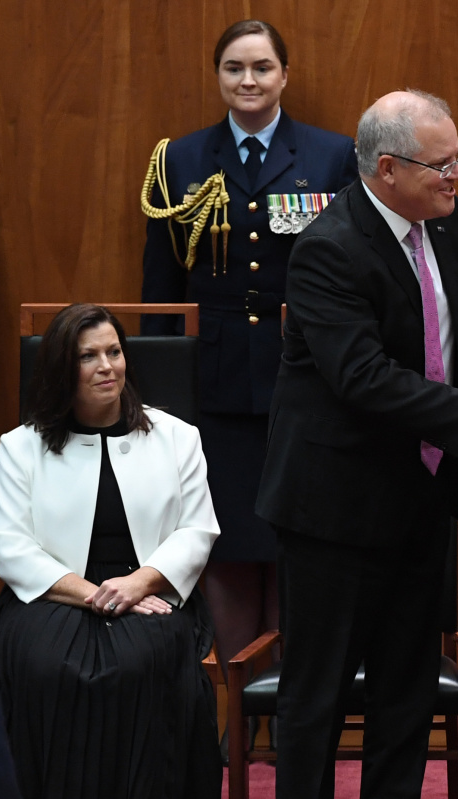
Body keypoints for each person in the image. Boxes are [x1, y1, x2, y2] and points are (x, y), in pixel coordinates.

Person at [254, 90, 458, 799]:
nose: (456, 176)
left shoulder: (444, 219)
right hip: (334, 513)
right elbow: (363, 378)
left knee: (406, 695)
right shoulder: (327, 249)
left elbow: (451, 338)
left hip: (423, 494)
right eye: (442, 164)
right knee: (317, 702)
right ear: (386, 169)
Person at [139, 19, 358, 712]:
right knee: (227, 541)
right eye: (234, 68)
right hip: (217, 384)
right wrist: (160, 387)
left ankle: (299, 710)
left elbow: (353, 273)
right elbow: (161, 289)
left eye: (262, 67)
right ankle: (237, 714)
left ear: (285, 75)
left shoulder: (331, 156)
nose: (248, 81)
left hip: (307, 379)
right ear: (218, 77)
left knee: (299, 542)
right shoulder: (180, 160)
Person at [0, 304, 221, 799]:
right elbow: (13, 549)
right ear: (60, 369)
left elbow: (197, 531)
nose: (107, 366)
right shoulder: (20, 448)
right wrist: (100, 594)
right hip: (54, 595)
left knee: (143, 661)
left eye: (114, 352)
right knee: (44, 665)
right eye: (88, 356)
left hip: (152, 587)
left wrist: (137, 584)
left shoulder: (177, 438)